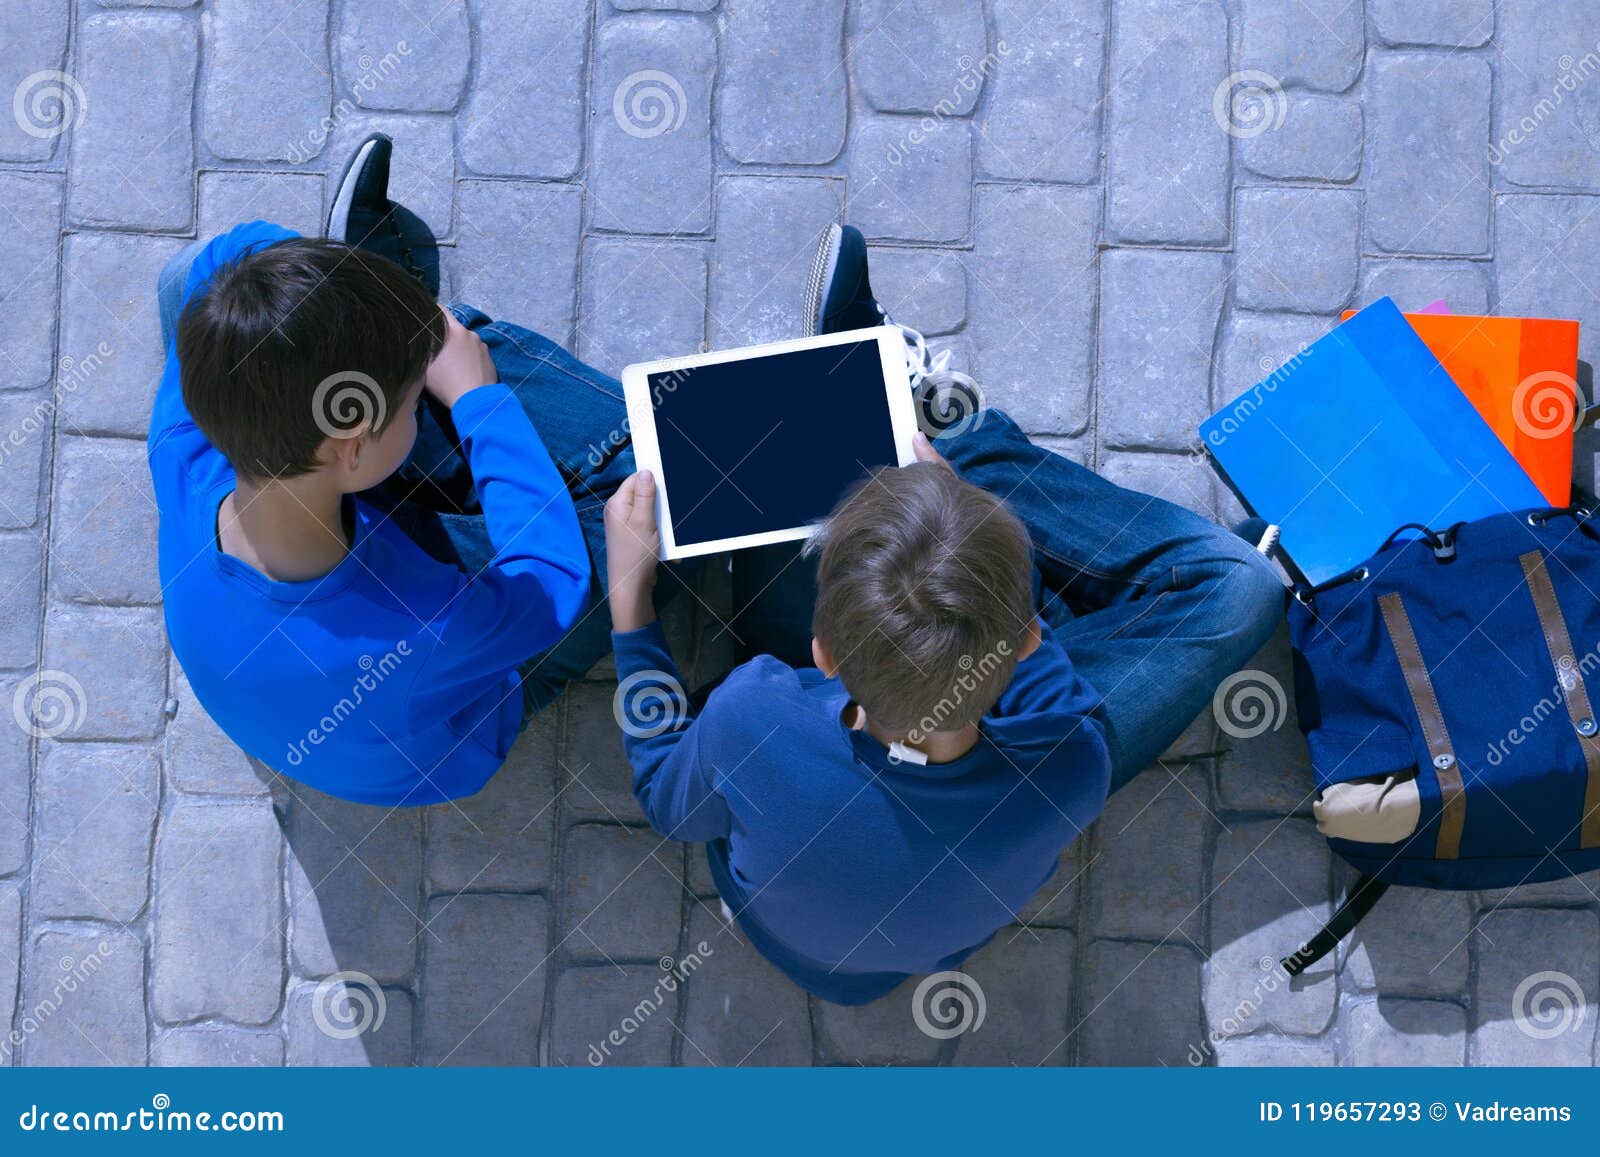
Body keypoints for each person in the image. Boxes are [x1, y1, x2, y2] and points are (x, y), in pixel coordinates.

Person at [603, 225, 1286, 1004]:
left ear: (820, 656)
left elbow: (666, 796)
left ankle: (920, 420)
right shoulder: (1069, 765)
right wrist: (965, 525)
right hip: (997, 752)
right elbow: (1044, 684)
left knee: (802, 481)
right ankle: (947, 439)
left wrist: (630, 603)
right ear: (1030, 639)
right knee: (1243, 587)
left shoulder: (755, 715)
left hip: (807, 946)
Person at [150, 135, 638, 805]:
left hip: (301, 654)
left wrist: (319, 303)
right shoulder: (426, 627)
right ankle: (405, 321)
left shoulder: (182, 444)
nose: (420, 395)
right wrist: (475, 395)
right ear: (351, 447)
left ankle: (358, 322)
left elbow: (216, 261)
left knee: (189, 288)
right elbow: (551, 581)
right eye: (406, 400)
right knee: (656, 484)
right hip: (448, 728)